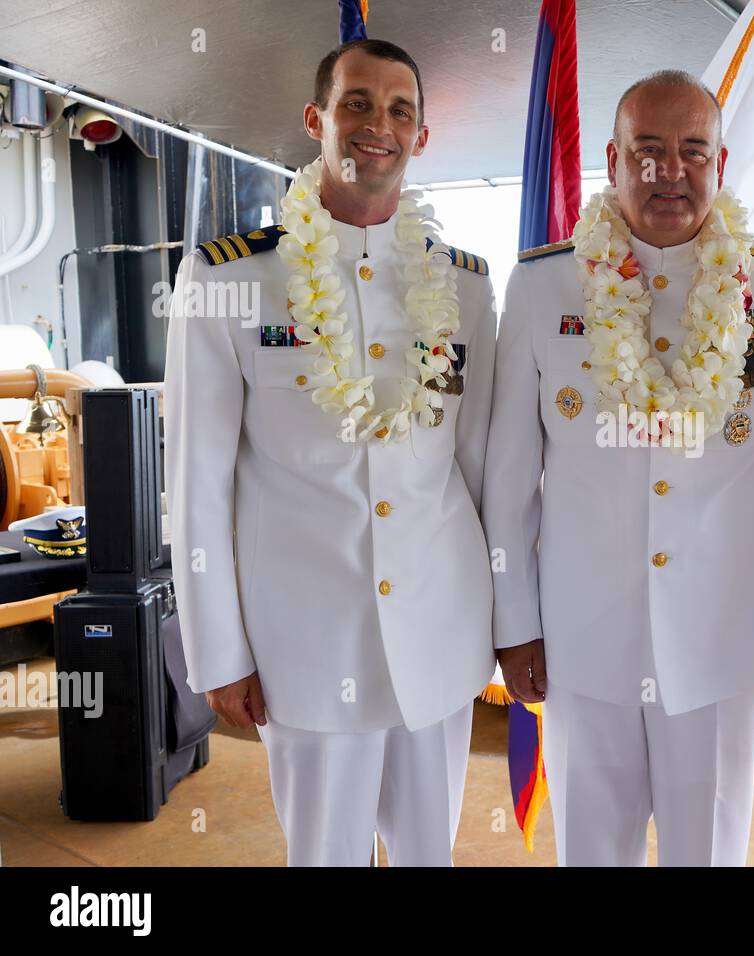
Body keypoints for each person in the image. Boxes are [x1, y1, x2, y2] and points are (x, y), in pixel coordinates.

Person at [483, 70, 754, 866]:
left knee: (707, 852)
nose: (667, 172)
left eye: (691, 151)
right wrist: (515, 623)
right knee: (590, 851)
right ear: (612, 160)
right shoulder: (544, 284)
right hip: (582, 636)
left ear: (719, 163)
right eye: (647, 151)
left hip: (723, 634)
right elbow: (508, 477)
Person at [163, 38, 496, 866]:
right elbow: (197, 486)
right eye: (356, 103)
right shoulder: (227, 277)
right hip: (304, 643)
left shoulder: (468, 285)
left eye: (399, 109)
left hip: (439, 631)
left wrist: (504, 622)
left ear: (421, 135)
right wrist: (218, 650)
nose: (377, 125)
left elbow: (486, 468)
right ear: (316, 119)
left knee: (430, 854)